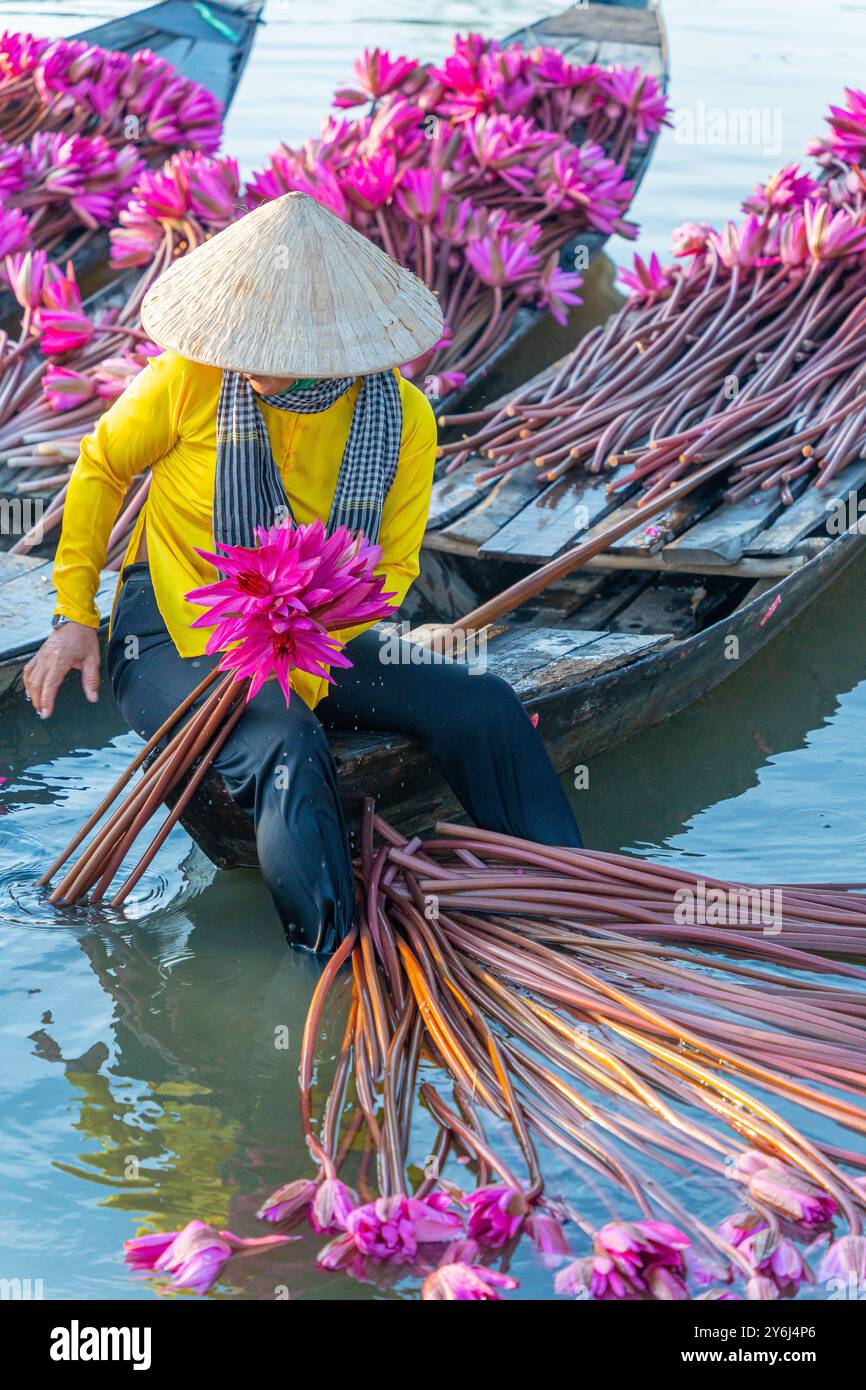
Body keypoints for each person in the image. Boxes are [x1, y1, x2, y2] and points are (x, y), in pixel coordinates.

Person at [23, 191, 581, 952]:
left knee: (481, 702)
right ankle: (329, 960)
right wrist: (75, 616)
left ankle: (568, 895)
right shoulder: (190, 379)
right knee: (287, 745)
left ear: (330, 350)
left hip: (319, 627)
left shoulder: (404, 419)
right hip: (171, 632)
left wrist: (301, 641)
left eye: (272, 347)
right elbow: (99, 470)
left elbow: (394, 565)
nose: (248, 361)